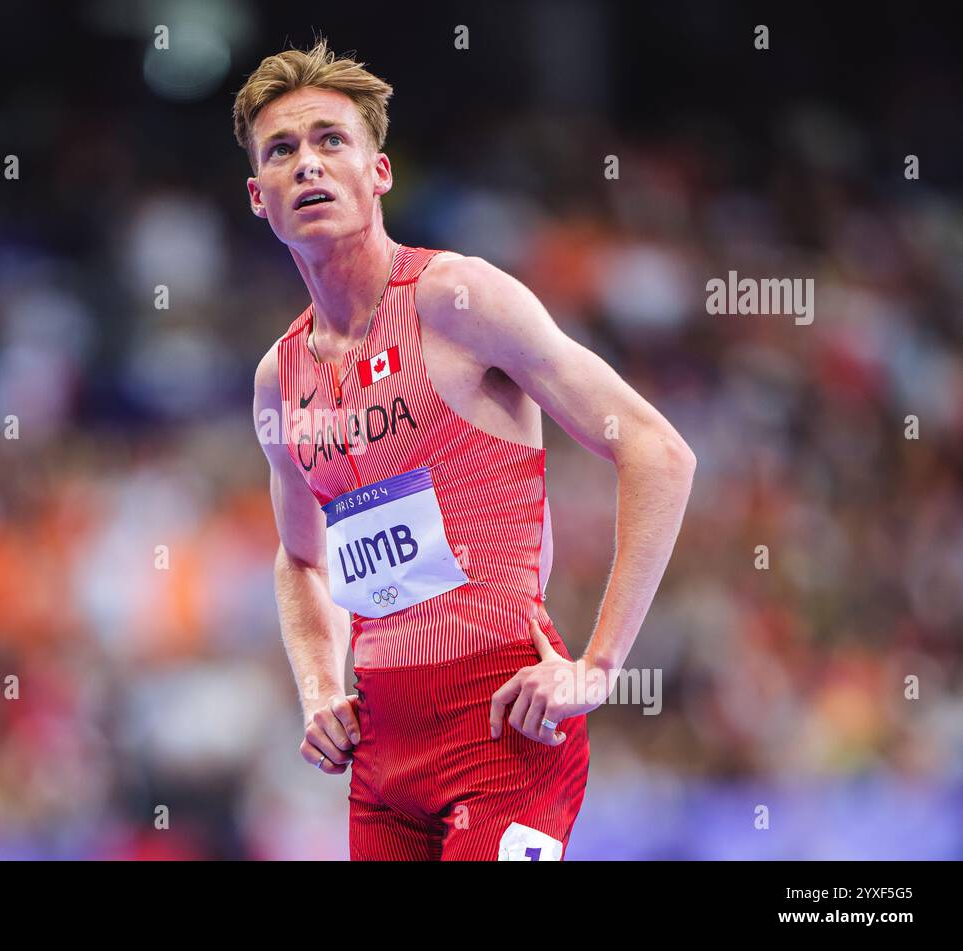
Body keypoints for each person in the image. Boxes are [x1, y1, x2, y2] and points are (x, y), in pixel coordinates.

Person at [240, 39, 696, 860]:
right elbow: (301, 557)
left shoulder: (458, 300)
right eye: (282, 151)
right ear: (258, 197)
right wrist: (318, 689)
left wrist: (597, 666)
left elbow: (659, 451)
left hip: (506, 723)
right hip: (383, 755)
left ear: (379, 173)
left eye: (330, 140)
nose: (307, 164)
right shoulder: (282, 376)